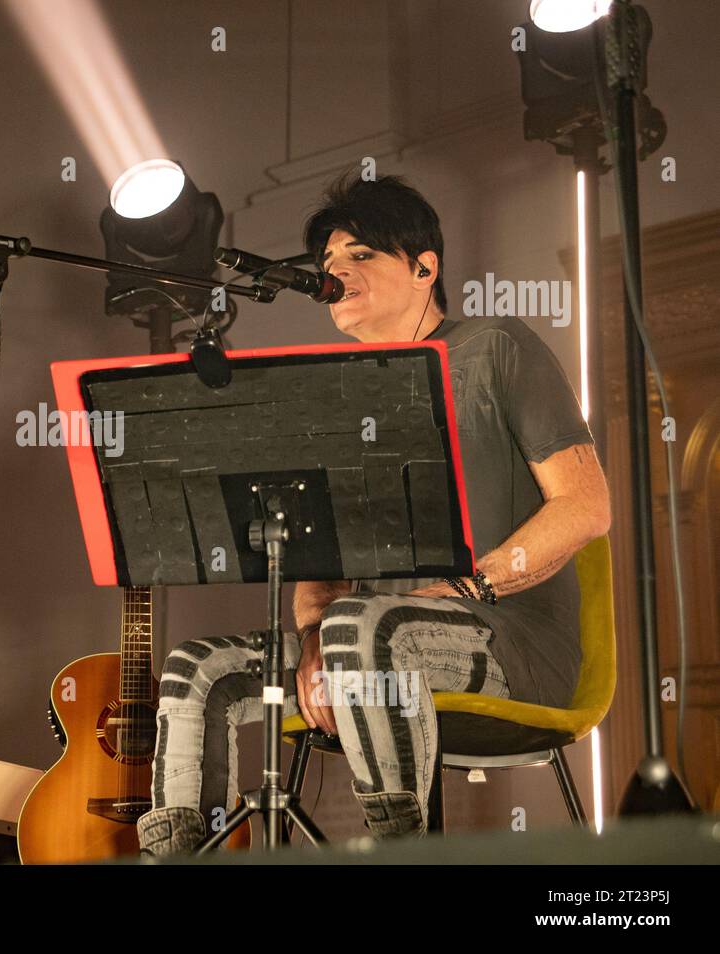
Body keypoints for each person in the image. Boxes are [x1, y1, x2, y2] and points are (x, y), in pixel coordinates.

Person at [137, 173, 612, 852]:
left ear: (425, 267)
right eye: (327, 264)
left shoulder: (495, 346)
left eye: (360, 256)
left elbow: (587, 507)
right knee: (194, 670)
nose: (335, 274)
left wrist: (463, 588)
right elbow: (319, 564)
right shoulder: (334, 392)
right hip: (362, 641)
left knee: (366, 630)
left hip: (510, 640)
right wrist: (309, 643)